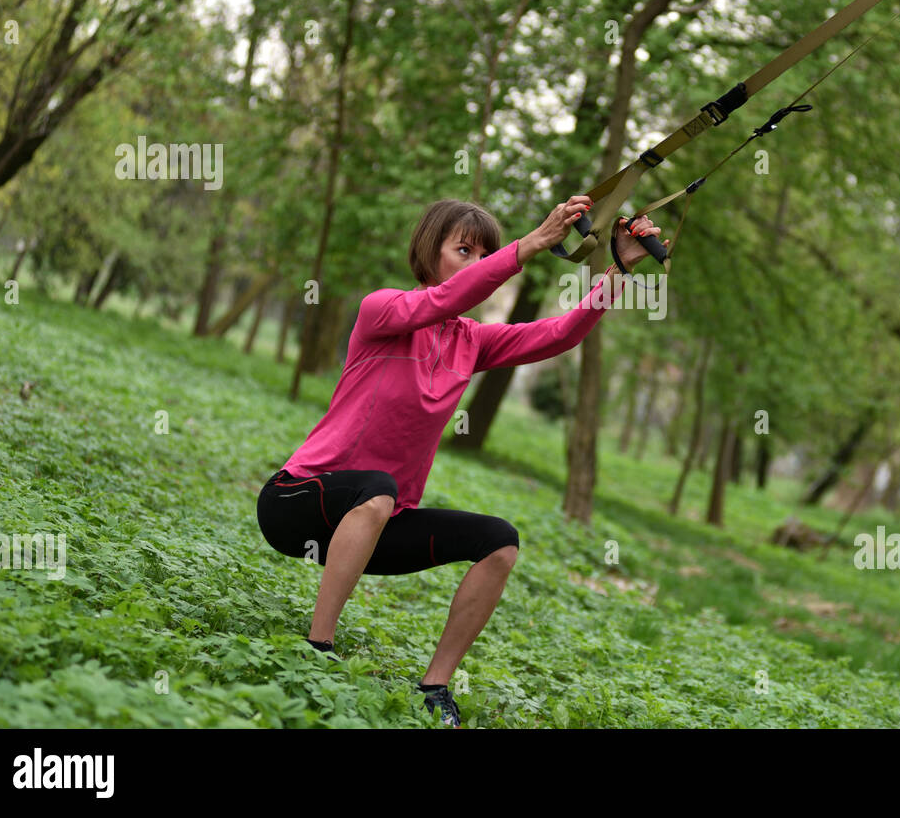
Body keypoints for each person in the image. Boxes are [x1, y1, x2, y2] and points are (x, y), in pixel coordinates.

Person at [256, 195, 665, 726]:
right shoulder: (383, 310)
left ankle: (435, 687)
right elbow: (447, 297)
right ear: (430, 250)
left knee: (498, 541)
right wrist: (531, 244)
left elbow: (558, 334)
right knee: (376, 487)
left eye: (485, 254)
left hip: (377, 523)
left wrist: (619, 269)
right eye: (464, 250)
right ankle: (318, 650)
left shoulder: (471, 343)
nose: (476, 263)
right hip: (296, 502)